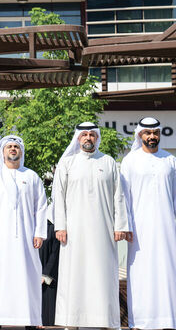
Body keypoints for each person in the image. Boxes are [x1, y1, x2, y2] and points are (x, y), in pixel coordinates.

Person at [53, 121, 130, 329]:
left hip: (103, 231)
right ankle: (72, 321)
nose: (88, 138)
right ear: (78, 139)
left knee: (102, 274)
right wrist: (60, 226)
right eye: (84, 135)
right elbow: (57, 196)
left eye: (92, 135)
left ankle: (104, 320)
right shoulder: (67, 164)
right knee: (74, 274)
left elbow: (119, 196)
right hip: (73, 232)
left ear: (97, 138)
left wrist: (120, 225)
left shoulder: (109, 162)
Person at [0, 134, 47, 328]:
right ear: (2, 151)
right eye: (9, 147)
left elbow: (41, 206)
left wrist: (39, 232)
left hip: (26, 238)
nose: (13, 149)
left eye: (16, 147)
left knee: (28, 276)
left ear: (21, 151)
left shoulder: (31, 176)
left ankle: (30, 319)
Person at [121, 117, 176, 329]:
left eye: (155, 133)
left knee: (167, 270)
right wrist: (126, 225)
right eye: (147, 133)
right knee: (141, 273)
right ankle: (140, 321)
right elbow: (123, 197)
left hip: (167, 228)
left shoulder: (170, 160)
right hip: (139, 229)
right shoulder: (130, 161)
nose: (152, 136)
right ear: (140, 135)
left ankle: (168, 319)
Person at [39, 204, 60, 327]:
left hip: (48, 281)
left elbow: (55, 253)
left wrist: (45, 274)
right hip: (31, 279)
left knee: (48, 318)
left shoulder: (52, 228)